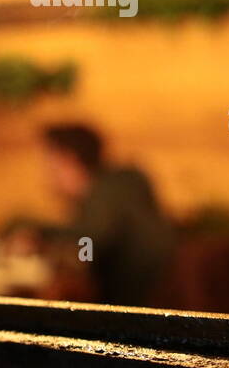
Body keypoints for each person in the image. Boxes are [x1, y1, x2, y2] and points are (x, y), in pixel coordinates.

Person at [41, 123, 174, 306]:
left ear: (68, 159)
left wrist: (41, 234)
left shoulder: (105, 193)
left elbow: (91, 236)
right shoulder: (118, 186)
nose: (47, 174)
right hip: (147, 300)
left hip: (132, 305)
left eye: (51, 164)